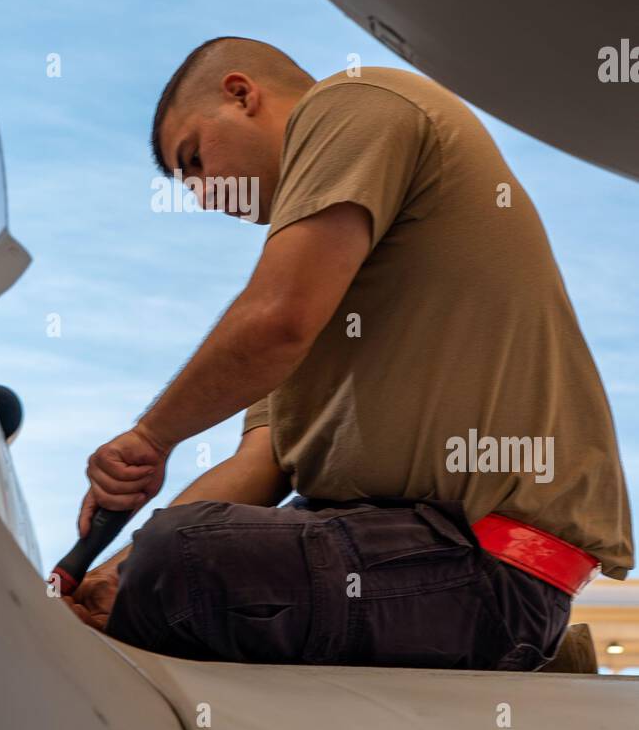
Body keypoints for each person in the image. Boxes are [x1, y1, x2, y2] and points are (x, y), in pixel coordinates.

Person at [63, 37, 633, 669]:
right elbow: (260, 464)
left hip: (480, 566)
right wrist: (107, 574)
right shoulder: (326, 280)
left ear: (240, 93)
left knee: (183, 558)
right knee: (163, 560)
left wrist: (150, 438)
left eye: (195, 159)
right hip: (385, 549)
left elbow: (277, 320)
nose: (200, 196)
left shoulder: (357, 102)